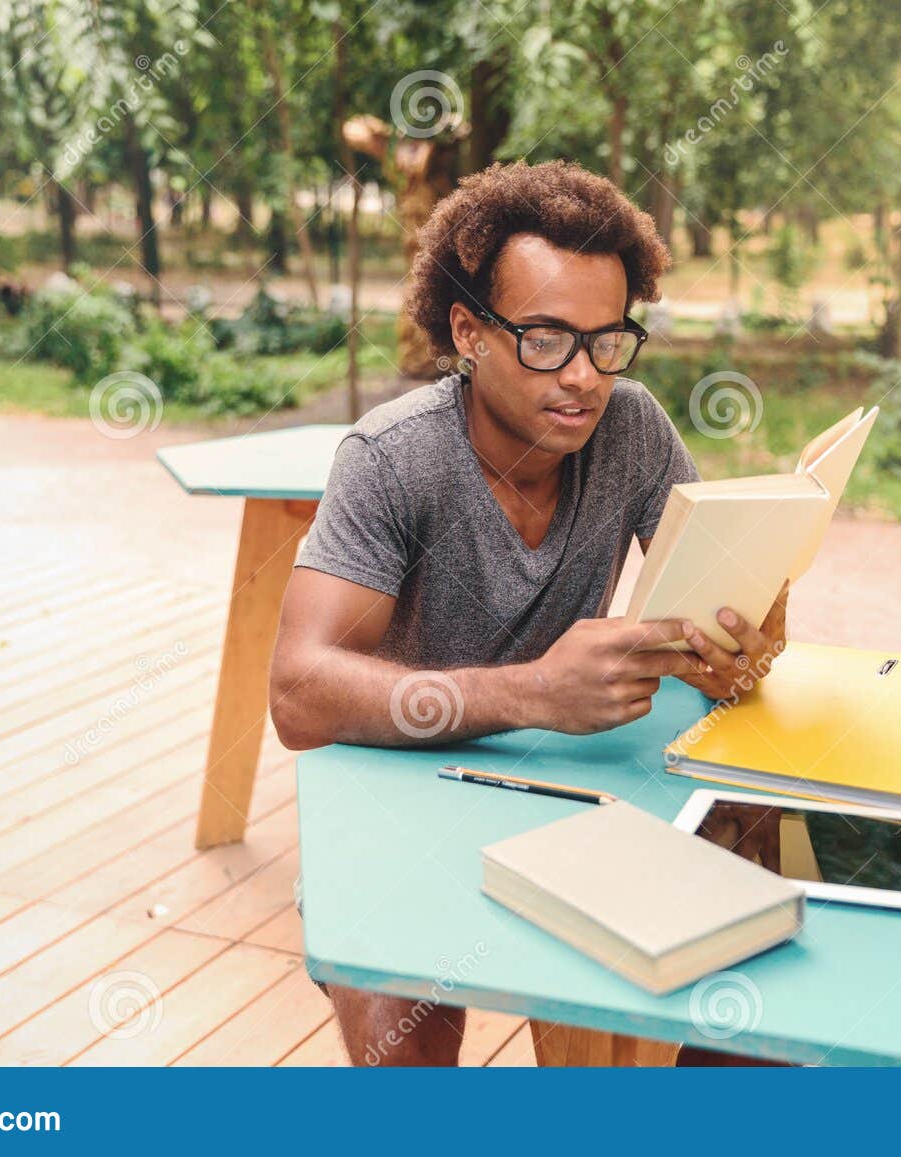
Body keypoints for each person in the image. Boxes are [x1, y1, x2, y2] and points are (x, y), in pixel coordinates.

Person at [270, 160, 787, 1065]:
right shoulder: (391, 459)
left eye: (608, 341)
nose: (584, 377)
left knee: (735, 995)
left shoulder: (633, 432)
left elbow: (720, 603)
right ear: (468, 331)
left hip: (573, 803)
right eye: (547, 339)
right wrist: (534, 693)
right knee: (407, 1061)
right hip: (397, 813)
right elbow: (298, 694)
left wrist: (739, 644)